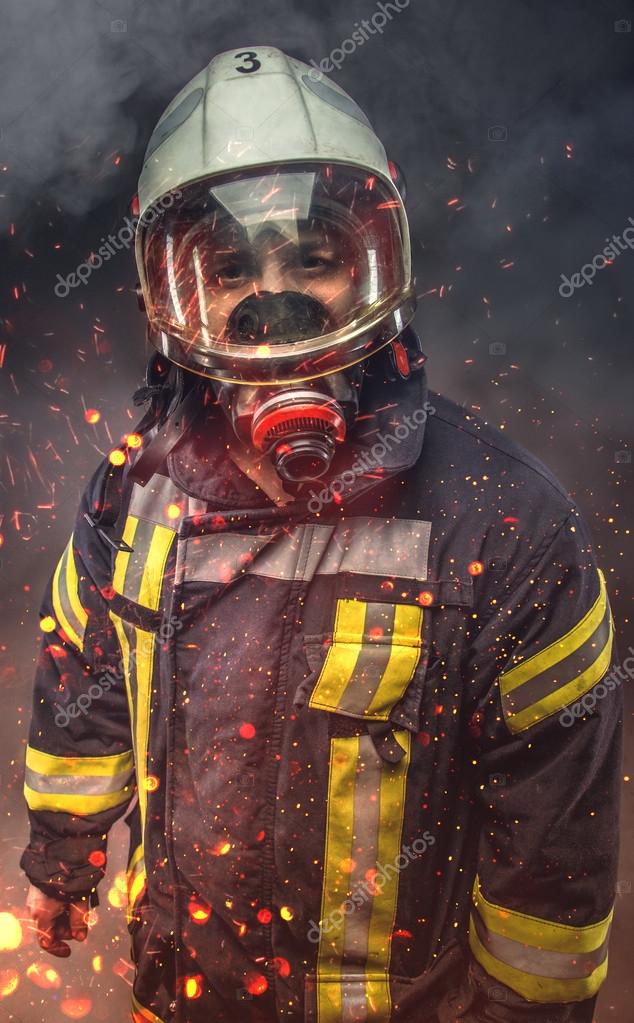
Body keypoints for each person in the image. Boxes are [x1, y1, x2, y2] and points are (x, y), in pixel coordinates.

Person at [21, 46, 621, 1023]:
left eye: (312, 256)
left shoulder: (508, 526)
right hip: (185, 997)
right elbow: (85, 690)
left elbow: (551, 847)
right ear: (172, 296)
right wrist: (65, 857)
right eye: (228, 267)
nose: (275, 301)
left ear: (377, 265)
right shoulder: (132, 497)